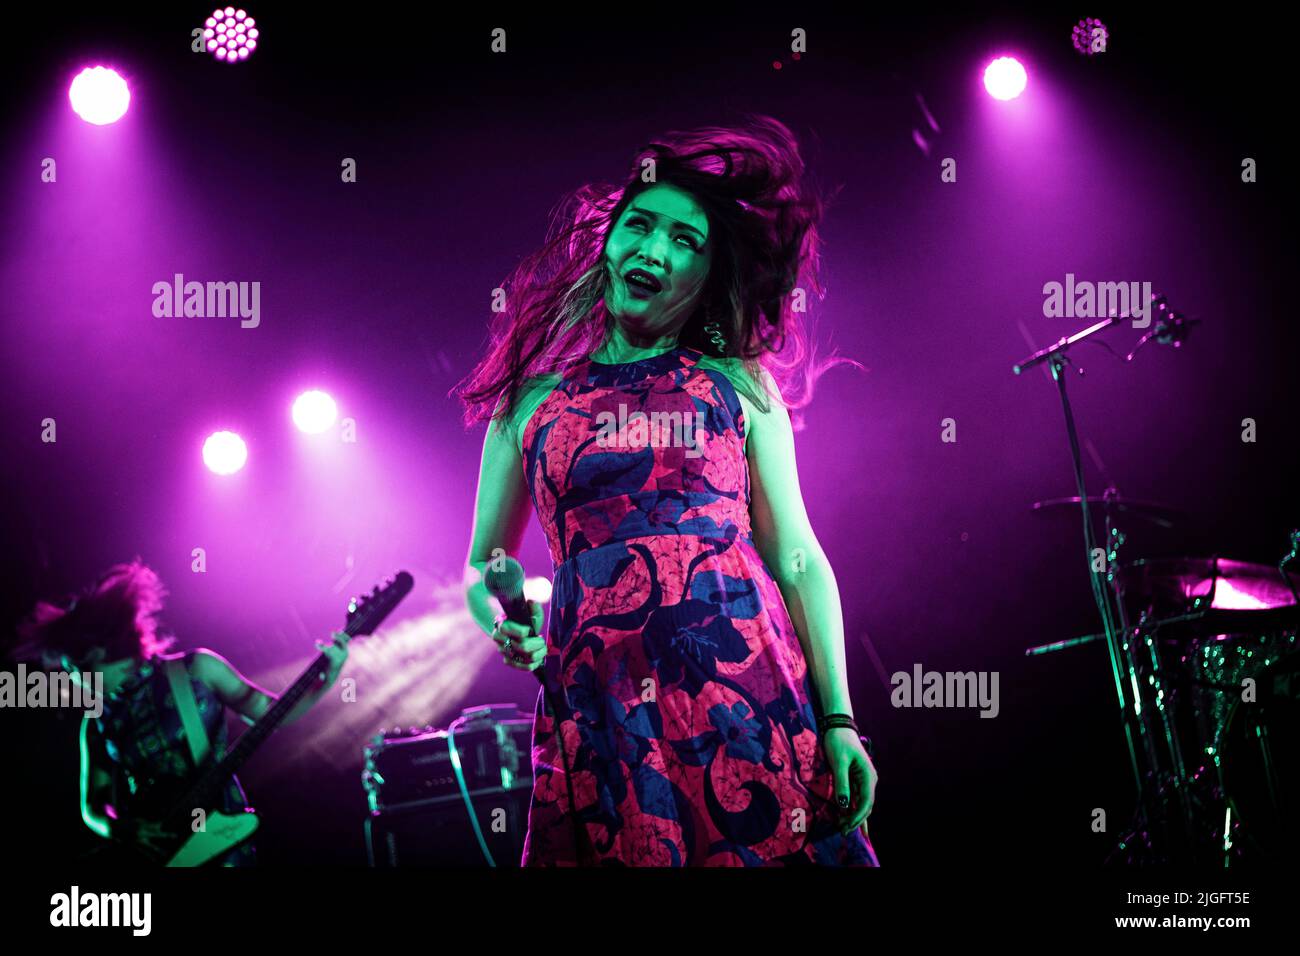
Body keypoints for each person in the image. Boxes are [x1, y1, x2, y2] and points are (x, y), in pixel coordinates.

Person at [458, 115, 879, 866]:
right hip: (602, 713)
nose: (653, 249)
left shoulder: (737, 386)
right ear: (607, 240)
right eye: (640, 226)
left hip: (745, 696)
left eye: (685, 240)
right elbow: (484, 561)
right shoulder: (529, 403)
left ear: (709, 272)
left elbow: (799, 558)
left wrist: (841, 718)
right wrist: (504, 612)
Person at [15, 559, 348, 866]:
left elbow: (272, 713)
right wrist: (122, 830)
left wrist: (327, 677)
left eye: (80, 671)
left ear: (103, 652)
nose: (78, 682)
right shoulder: (97, 718)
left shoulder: (196, 670)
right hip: (157, 854)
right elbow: (93, 806)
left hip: (221, 839)